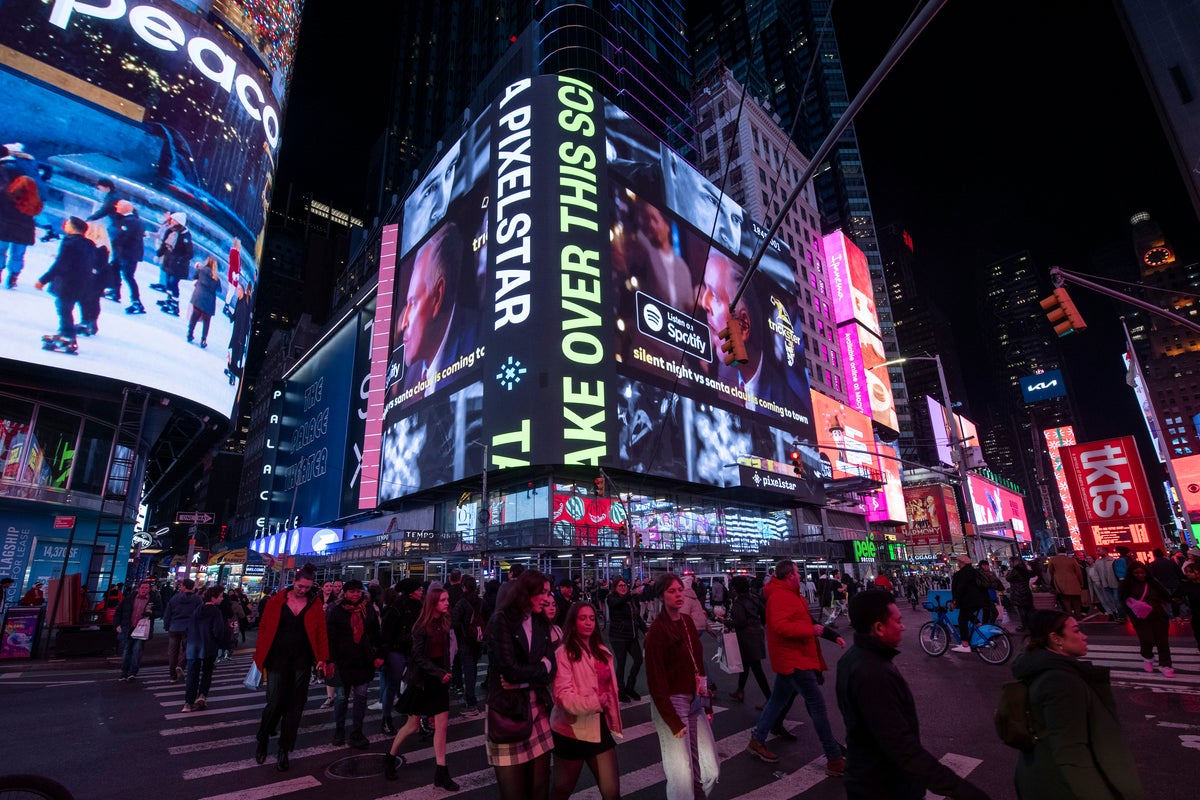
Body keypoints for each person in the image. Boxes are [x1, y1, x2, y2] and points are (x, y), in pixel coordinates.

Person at [836, 589, 990, 800]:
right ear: (879, 628)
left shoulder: (853, 659)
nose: (903, 626)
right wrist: (962, 791)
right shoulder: (873, 674)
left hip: (869, 777)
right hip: (885, 786)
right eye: (898, 621)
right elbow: (901, 747)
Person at [1012, 610, 1145, 799]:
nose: (1084, 636)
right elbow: (1070, 750)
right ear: (1056, 638)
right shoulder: (1061, 681)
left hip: (1040, 774)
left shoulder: (1044, 669)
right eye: (1076, 631)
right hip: (1059, 785)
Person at [745, 559, 845, 775]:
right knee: (817, 706)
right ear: (789, 575)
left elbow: (808, 622)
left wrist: (831, 635)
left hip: (793, 659)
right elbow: (782, 627)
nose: (800, 575)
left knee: (777, 700)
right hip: (794, 661)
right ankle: (834, 758)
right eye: (798, 572)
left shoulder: (791, 596)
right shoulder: (781, 597)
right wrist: (811, 631)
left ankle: (757, 739)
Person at [645, 572, 719, 799]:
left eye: (679, 590)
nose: (678, 595)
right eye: (671, 591)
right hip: (672, 703)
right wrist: (673, 721)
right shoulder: (656, 632)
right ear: (661, 597)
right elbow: (655, 680)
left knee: (710, 770)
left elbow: (699, 666)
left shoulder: (687, 622)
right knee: (682, 775)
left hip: (695, 700)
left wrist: (706, 704)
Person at [252, 564, 332, 771]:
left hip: (301, 659)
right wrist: (259, 656)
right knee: (275, 701)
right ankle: (263, 738)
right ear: (294, 582)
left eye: (307, 587)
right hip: (277, 657)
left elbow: (321, 632)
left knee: (295, 705)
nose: (303, 590)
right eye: (300, 586)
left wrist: (323, 658)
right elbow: (264, 629)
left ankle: (284, 749)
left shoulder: (314, 604)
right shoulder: (276, 602)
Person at [484, 569, 556, 800]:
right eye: (542, 592)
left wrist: (525, 682)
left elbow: (551, 669)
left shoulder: (540, 621)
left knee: (539, 791)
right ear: (526, 591)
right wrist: (539, 670)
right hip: (508, 713)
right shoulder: (501, 620)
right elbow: (510, 671)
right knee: (514, 794)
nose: (547, 598)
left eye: (548, 592)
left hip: (538, 712)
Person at [386, 586, 458, 788]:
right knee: (412, 725)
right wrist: (439, 673)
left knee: (442, 726)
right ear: (433, 603)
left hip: (439, 679)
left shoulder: (443, 622)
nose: (447, 603)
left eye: (447, 599)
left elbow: (444, 652)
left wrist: (446, 672)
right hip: (423, 681)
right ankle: (390, 757)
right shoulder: (421, 626)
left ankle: (441, 772)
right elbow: (417, 656)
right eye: (443, 600)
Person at [550, 601, 623, 800]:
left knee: (611, 791)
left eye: (591, 618)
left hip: (598, 727)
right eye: (582, 618)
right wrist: (596, 702)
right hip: (570, 731)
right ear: (573, 623)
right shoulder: (563, 653)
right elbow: (562, 697)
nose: (589, 622)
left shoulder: (601, 650)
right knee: (562, 789)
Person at [327, 579, 382, 749]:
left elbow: (375, 634)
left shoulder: (368, 610)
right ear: (345, 593)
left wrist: (378, 654)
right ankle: (339, 730)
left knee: (361, 696)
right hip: (343, 662)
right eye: (352, 591)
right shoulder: (336, 611)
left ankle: (357, 731)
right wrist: (329, 660)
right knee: (341, 698)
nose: (356, 594)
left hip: (363, 661)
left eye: (358, 591)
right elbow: (330, 638)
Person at [34, 217, 97, 351]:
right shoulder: (90, 244)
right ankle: (65, 334)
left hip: (68, 281)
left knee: (64, 309)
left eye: (68, 224)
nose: (65, 226)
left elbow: (61, 265)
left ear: (73, 227)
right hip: (83, 282)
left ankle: (68, 337)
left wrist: (43, 280)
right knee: (65, 308)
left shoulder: (69, 242)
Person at [380, 578, 422, 734]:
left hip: (411, 649)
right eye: (418, 589)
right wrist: (382, 654)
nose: (420, 592)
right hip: (396, 650)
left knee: (411, 683)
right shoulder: (396, 608)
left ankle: (409, 713)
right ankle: (386, 718)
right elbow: (386, 633)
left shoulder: (418, 605)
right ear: (411, 592)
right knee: (393, 685)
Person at [1118, 560, 1174, 677]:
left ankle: (1166, 665)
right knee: (1147, 639)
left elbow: (1166, 595)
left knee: (1162, 641)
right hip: (1140, 617)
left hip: (1158, 614)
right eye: (1137, 573)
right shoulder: (1126, 585)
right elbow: (1123, 601)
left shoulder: (1152, 582)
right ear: (1131, 573)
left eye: (1142, 573)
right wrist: (1132, 614)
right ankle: (1147, 656)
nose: (1140, 575)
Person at [728, 574, 772, 704]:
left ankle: (769, 699)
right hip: (757, 633)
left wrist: (727, 622)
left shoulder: (738, 602)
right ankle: (740, 690)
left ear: (736, 588)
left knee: (756, 669)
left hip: (746, 637)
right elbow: (764, 614)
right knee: (746, 665)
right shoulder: (754, 598)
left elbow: (740, 621)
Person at [182, 586, 227, 712]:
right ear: (213, 598)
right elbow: (218, 631)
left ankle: (188, 702)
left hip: (193, 646)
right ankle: (202, 695)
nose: (222, 599)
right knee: (207, 672)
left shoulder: (197, 610)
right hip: (208, 646)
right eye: (220, 596)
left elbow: (188, 627)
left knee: (192, 674)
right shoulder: (215, 611)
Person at [605, 576, 646, 702]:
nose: (623, 588)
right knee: (621, 664)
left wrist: (646, 630)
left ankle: (630, 687)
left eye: (624, 585)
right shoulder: (611, 598)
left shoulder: (630, 600)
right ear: (615, 588)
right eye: (620, 586)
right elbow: (617, 603)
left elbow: (637, 617)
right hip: (618, 636)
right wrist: (631, 593)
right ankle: (620, 691)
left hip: (631, 636)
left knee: (638, 660)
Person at [451, 574, 485, 716]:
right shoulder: (481, 602)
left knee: (467, 668)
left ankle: (471, 701)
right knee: (473, 668)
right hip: (478, 639)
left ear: (464, 587)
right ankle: (470, 698)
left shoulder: (462, 602)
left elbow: (455, 622)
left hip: (464, 639)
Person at [114, 580, 158, 681]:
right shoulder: (129, 598)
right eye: (142, 588)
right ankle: (124, 672)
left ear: (149, 589)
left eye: (146, 588)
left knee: (137, 650)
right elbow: (119, 611)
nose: (144, 590)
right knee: (127, 650)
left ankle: (132, 672)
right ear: (138, 589)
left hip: (142, 629)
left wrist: (152, 612)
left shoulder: (153, 600)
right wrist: (117, 624)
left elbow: (160, 611)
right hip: (129, 627)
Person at [162, 578, 201, 682]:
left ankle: (172, 676)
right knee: (189, 648)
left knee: (173, 652)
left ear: (183, 586)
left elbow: (167, 613)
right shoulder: (197, 600)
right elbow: (201, 614)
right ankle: (181, 665)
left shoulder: (174, 598)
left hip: (174, 627)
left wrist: (166, 626)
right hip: (190, 628)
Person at [949, 554, 990, 653]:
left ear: (962, 563)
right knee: (968, 614)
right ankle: (980, 628)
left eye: (959, 562)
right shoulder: (974, 572)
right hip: (980, 601)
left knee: (962, 619)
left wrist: (954, 600)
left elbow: (960, 588)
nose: (958, 564)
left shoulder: (962, 573)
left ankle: (965, 644)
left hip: (969, 601)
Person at [155, 212, 193, 316]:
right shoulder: (170, 230)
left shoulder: (185, 235)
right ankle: (169, 299)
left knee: (173, 283)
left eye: (174, 220)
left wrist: (179, 260)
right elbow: (165, 243)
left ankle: (174, 303)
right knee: (168, 282)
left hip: (178, 266)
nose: (171, 221)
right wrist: (160, 253)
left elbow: (189, 253)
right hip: (169, 261)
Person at [187, 256, 221, 347]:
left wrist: (198, 284)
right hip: (209, 301)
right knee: (206, 322)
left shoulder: (201, 270)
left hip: (198, 296)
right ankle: (203, 340)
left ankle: (189, 334)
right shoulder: (216, 278)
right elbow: (219, 290)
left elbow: (193, 278)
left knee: (194, 316)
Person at [1047, 547, 1085, 619]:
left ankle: (1070, 616)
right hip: (1074, 582)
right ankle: (1078, 615)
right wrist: (1081, 583)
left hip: (1060, 583)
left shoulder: (1053, 559)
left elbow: (1050, 571)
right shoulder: (1072, 560)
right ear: (1066, 552)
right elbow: (1078, 572)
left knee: (1066, 601)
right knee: (1076, 601)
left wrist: (1055, 578)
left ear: (1057, 551)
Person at [1173, 561, 1200, 653]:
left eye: (1190, 571)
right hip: (1197, 616)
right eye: (1186, 572)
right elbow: (1175, 599)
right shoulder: (1186, 586)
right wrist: (1177, 615)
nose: (1187, 574)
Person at [1005, 556, 1036, 632]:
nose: (1009, 564)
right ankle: (1031, 625)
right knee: (1027, 610)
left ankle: (1024, 626)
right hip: (1026, 591)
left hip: (1018, 592)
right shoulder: (1025, 569)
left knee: (1021, 610)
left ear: (1013, 562)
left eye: (1010, 562)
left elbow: (1008, 578)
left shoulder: (1015, 570)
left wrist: (1008, 572)